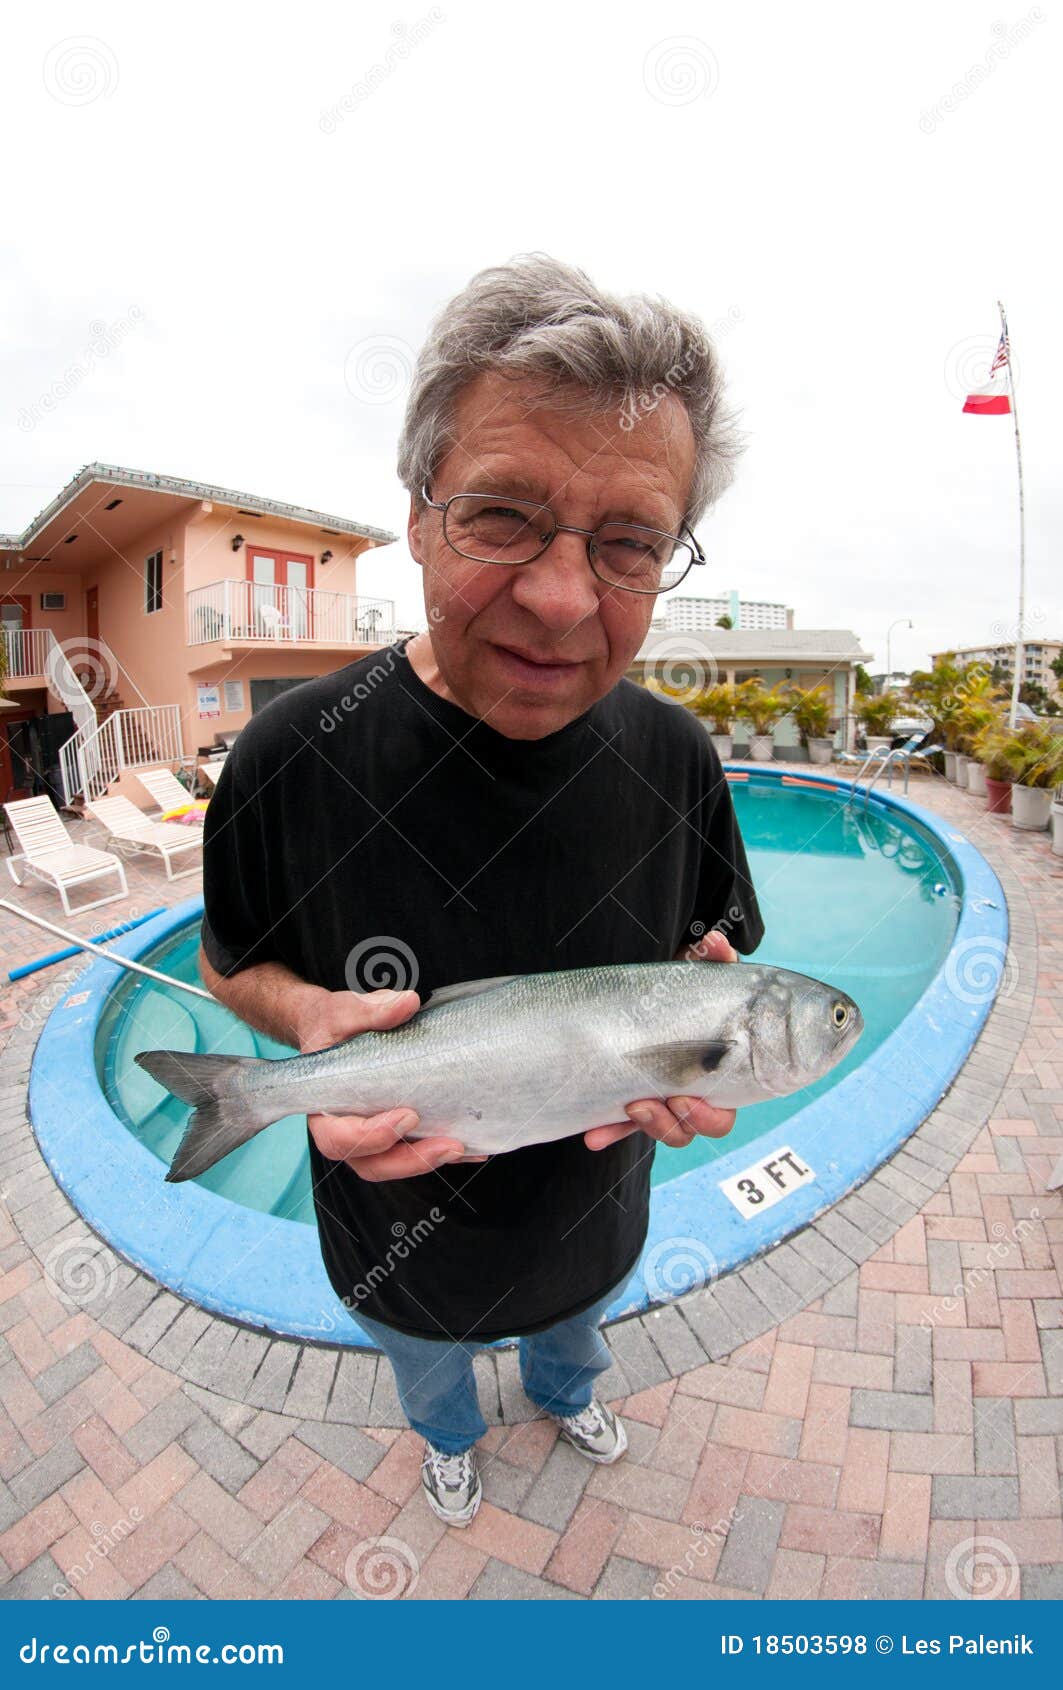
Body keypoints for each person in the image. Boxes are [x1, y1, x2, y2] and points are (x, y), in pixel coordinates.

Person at [199, 254, 765, 1526]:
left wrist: (710, 1030)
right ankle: (448, 1439)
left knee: (575, 1338)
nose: (564, 599)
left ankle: (568, 1394)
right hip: (389, 1232)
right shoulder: (290, 753)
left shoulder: (677, 757)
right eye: (500, 515)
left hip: (596, 1219)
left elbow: (715, 943)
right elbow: (229, 956)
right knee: (427, 1372)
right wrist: (299, 1027)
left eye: (630, 544)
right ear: (415, 514)